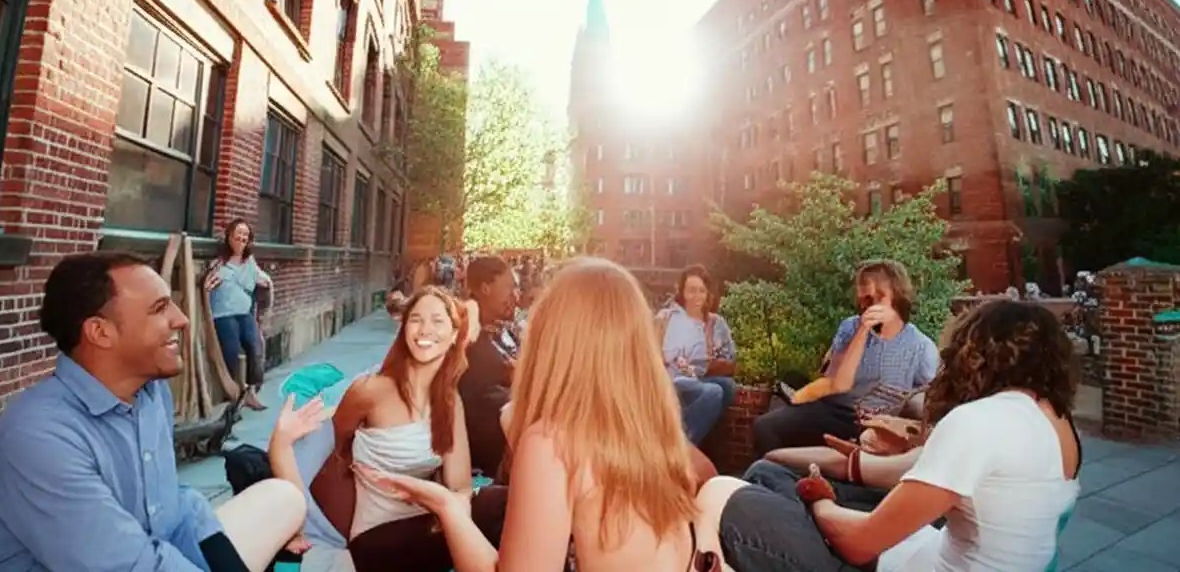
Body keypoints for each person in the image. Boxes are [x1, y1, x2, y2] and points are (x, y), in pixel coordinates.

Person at [354, 258, 725, 571]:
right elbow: (708, 480)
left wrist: (447, 508)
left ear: (554, 336)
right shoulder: (650, 425)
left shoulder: (552, 441)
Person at [0, 251, 306, 571]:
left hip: (143, 555)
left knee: (285, 499)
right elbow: (133, 566)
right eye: (160, 308)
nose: (182, 319)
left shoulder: (150, 393)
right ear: (100, 332)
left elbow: (173, 509)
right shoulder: (38, 439)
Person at [701, 299, 1082, 571]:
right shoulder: (1051, 425)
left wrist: (821, 501)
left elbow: (857, 543)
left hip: (885, 550)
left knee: (721, 493)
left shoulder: (979, 422)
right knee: (768, 476)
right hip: (924, 549)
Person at [274, 286, 506, 572]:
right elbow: (318, 451)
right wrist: (299, 526)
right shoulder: (371, 390)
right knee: (502, 506)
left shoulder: (449, 402)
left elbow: (460, 486)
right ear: (404, 329)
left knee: (503, 505)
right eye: (416, 319)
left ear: (455, 334)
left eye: (437, 321)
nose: (425, 330)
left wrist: (452, 514)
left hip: (429, 522)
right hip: (375, 537)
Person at [750, 259, 938, 458]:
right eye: (865, 299)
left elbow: (929, 401)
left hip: (875, 422)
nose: (870, 304)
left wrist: (899, 416)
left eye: (879, 297)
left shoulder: (921, 347)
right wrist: (863, 330)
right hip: (832, 410)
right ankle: (772, 480)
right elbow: (838, 381)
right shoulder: (850, 327)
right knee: (765, 427)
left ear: (897, 296)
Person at [660, 265, 737, 444]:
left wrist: (705, 364)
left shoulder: (717, 324)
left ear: (708, 293)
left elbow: (731, 363)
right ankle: (680, 444)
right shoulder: (667, 317)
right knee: (713, 392)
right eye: (691, 291)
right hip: (671, 378)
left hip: (700, 377)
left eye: (701, 291)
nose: (697, 296)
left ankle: (684, 437)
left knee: (726, 387)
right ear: (682, 293)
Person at [458, 255, 521, 477]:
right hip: (484, 457)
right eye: (509, 288)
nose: (515, 295)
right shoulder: (465, 336)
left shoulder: (507, 332)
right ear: (486, 288)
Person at [204, 218, 272, 411]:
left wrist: (265, 282)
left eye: (245, 235)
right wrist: (208, 286)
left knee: (255, 345)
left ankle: (251, 392)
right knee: (231, 349)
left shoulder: (249, 262)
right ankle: (236, 392)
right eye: (238, 234)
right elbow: (208, 284)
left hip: (244, 313)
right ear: (230, 237)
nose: (241, 238)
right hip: (224, 314)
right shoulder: (219, 263)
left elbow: (260, 278)